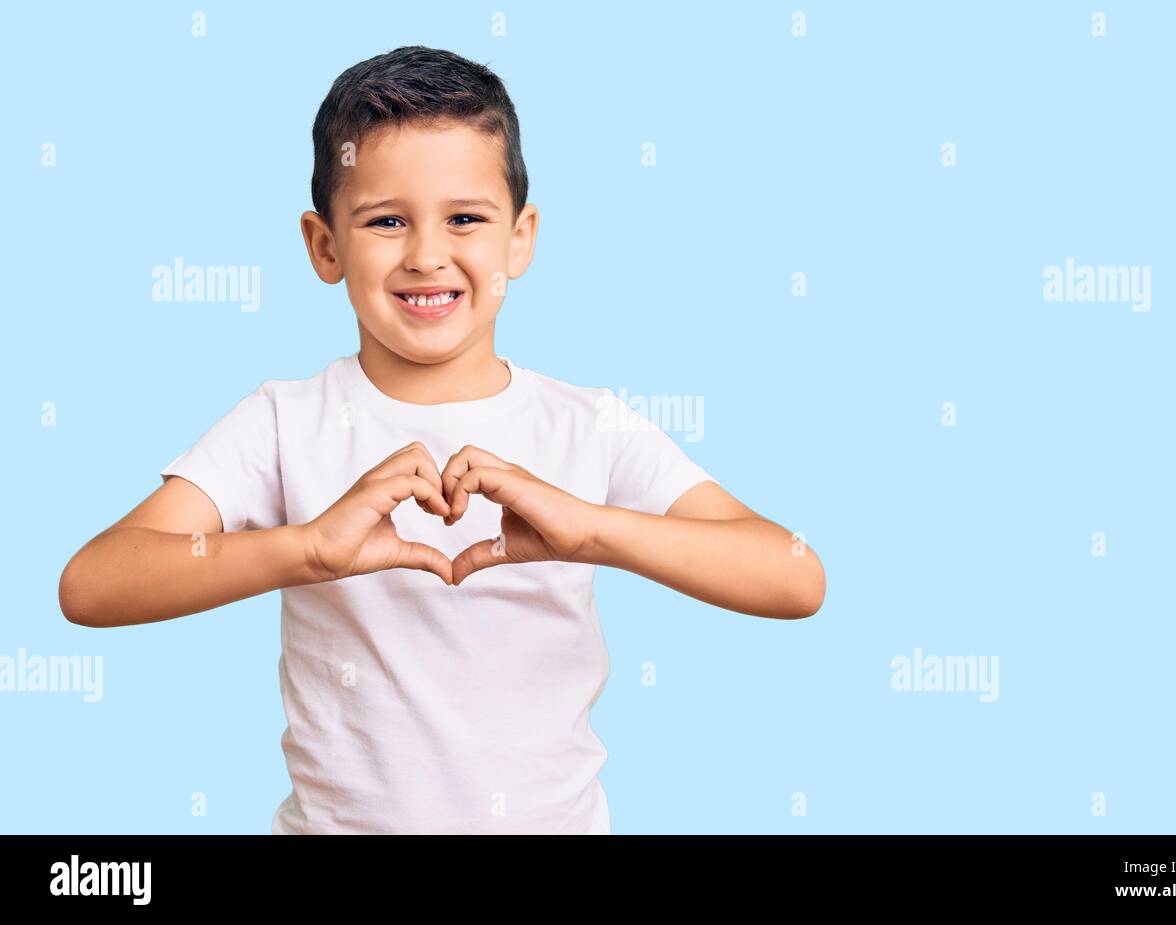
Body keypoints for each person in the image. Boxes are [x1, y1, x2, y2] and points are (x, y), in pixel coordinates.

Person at [57, 46, 826, 835]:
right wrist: (310, 549)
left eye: (465, 218)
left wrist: (593, 529)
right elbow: (93, 583)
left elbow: (794, 576)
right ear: (324, 246)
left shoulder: (589, 424)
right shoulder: (283, 421)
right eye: (386, 220)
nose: (427, 254)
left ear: (520, 238)